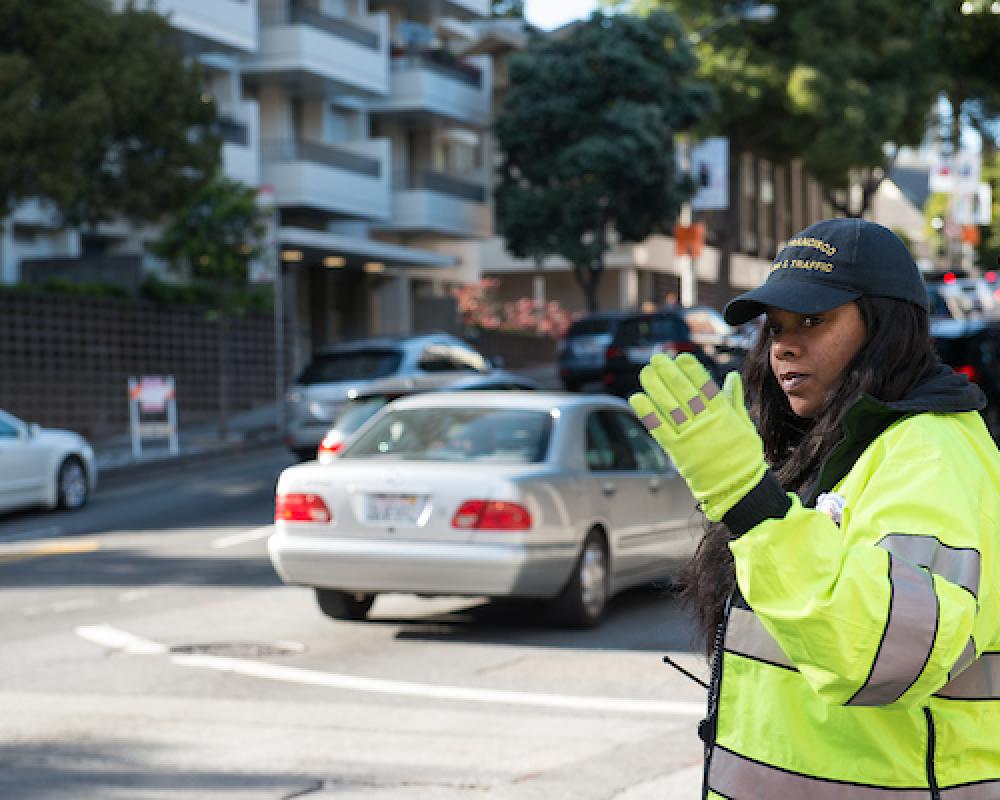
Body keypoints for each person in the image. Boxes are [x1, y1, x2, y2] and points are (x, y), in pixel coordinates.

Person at [629, 218, 1000, 798]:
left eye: (813, 319)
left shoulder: (930, 451)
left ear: (885, 326)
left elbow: (882, 653)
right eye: (774, 327)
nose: (783, 345)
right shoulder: (838, 444)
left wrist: (747, 499)